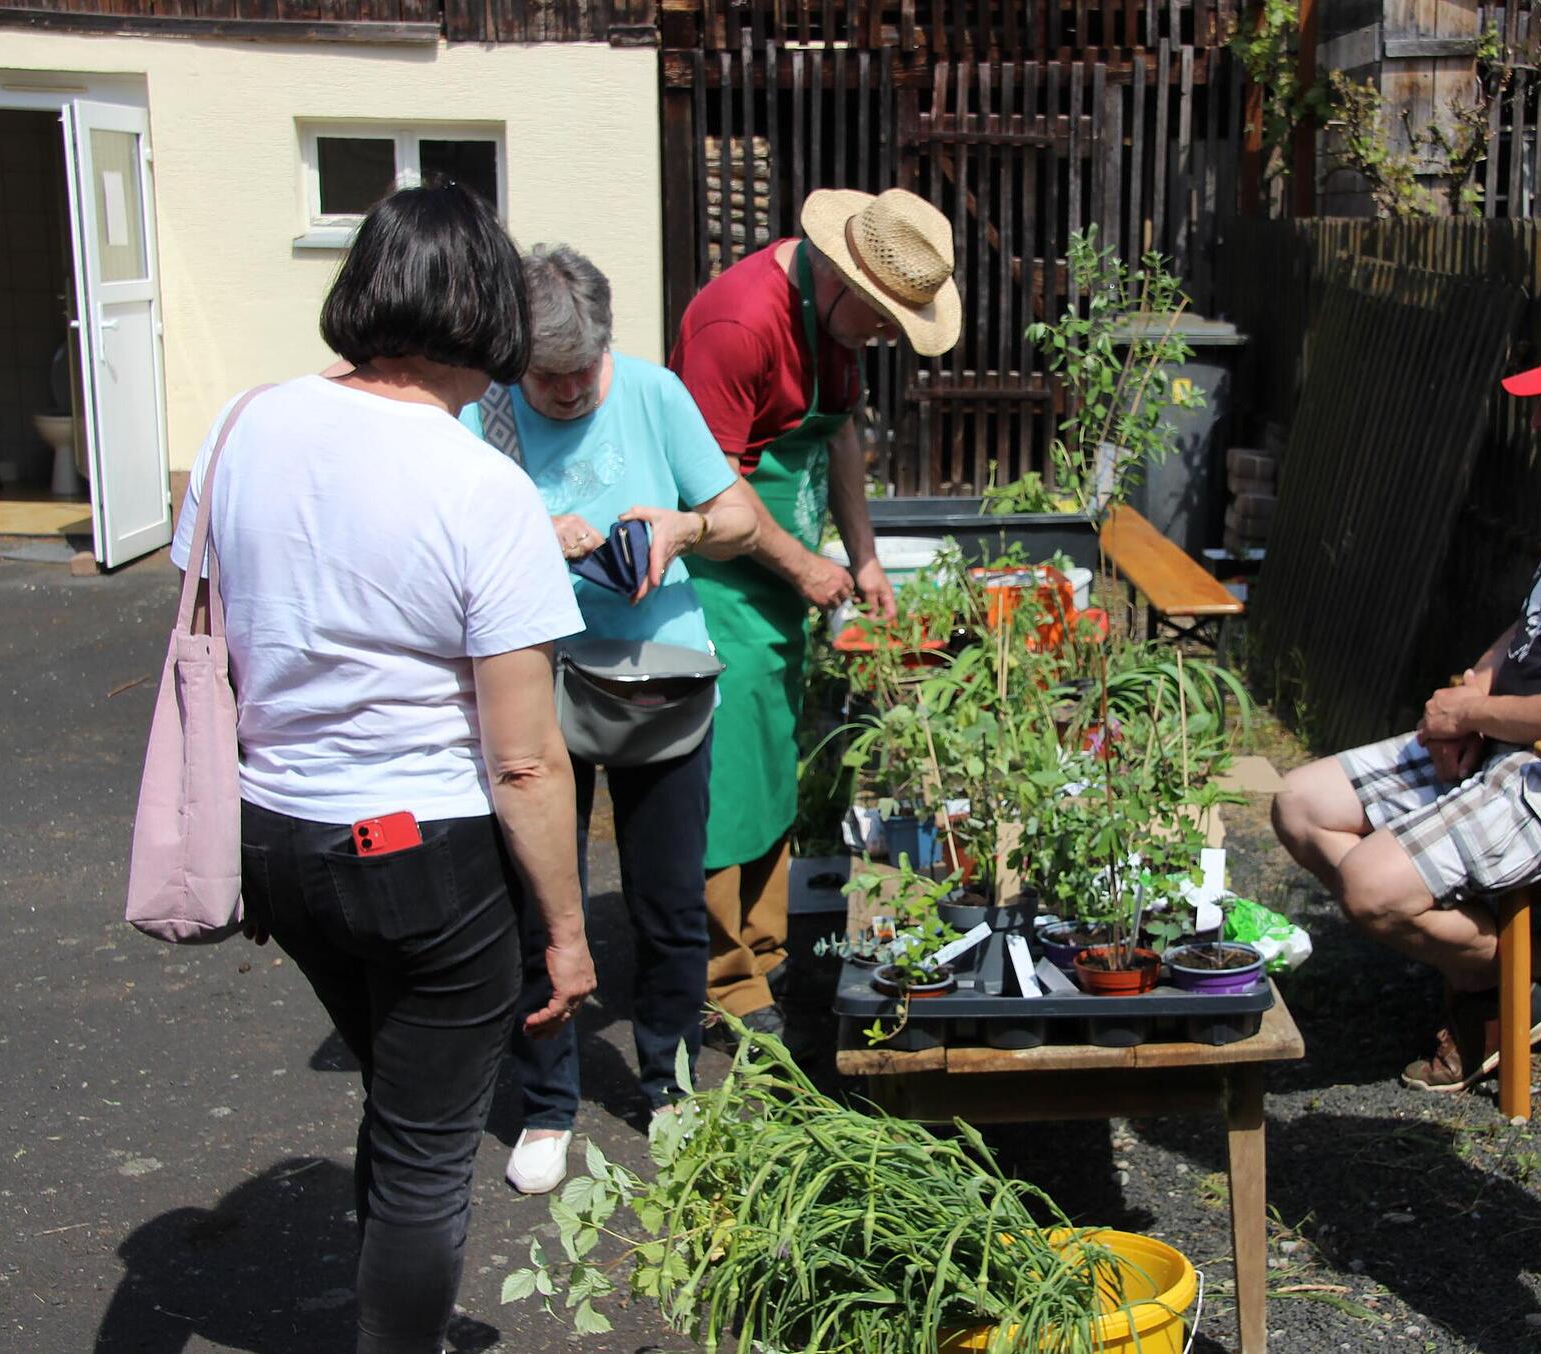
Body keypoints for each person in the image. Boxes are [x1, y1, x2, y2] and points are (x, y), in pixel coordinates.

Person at [169, 184, 594, 1354]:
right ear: (490, 314)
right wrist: (563, 928)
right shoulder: (479, 488)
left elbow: (221, 631)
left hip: (276, 839)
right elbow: (522, 759)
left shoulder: (239, 426)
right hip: (423, 854)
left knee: (404, 1102)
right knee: (426, 1158)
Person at [1271, 320, 1541, 1093]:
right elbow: (1539, 621)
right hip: (1513, 744)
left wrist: (1476, 719)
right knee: (1299, 804)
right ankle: (1519, 963)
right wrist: (1476, 685)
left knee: (1371, 889)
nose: (1536, 421)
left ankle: (1506, 974)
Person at [459, 245, 759, 1196]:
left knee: (668, 898)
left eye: (583, 373)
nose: (569, 393)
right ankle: (547, 1105)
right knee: (536, 904)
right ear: (516, 362)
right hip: (533, 678)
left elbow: (738, 513)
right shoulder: (483, 412)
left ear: (607, 347)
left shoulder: (656, 393)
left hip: (656, 676)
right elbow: (445, 541)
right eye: (548, 378)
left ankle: (667, 1083)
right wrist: (526, 538)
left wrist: (683, 528)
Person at [669, 187, 961, 1035]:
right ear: (836, 272)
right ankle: (723, 974)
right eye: (878, 319)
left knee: (773, 759)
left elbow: (838, 435)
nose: (880, 336)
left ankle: (766, 949)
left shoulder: (835, 324)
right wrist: (806, 567)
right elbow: (709, 490)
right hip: (719, 575)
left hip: (784, 573)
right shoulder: (738, 323)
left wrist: (862, 553)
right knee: (730, 766)